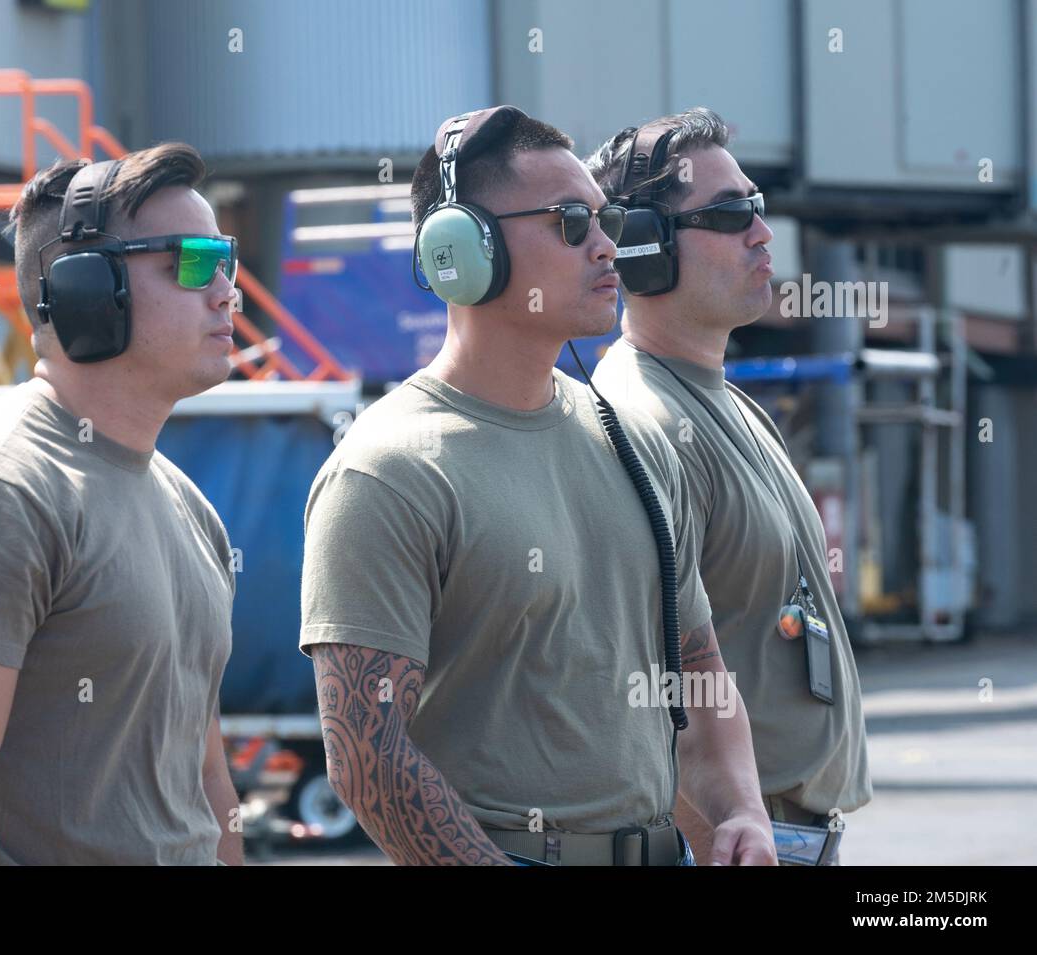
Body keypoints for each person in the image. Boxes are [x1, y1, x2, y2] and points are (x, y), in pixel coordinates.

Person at [300, 106, 776, 866]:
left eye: (606, 219)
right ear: (461, 251)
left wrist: (741, 809)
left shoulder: (637, 442)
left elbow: (696, 663)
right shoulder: (386, 470)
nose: (606, 246)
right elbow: (368, 757)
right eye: (570, 222)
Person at [0, 142, 243, 865]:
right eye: (194, 262)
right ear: (84, 291)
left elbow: (202, 778)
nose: (227, 289)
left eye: (226, 257)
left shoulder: (187, 503)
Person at [587, 108, 871, 865]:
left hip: (785, 837)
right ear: (644, 247)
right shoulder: (639, 421)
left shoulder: (731, 403)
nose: (762, 232)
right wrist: (722, 839)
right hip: (730, 845)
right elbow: (634, 687)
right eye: (729, 213)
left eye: (759, 207)